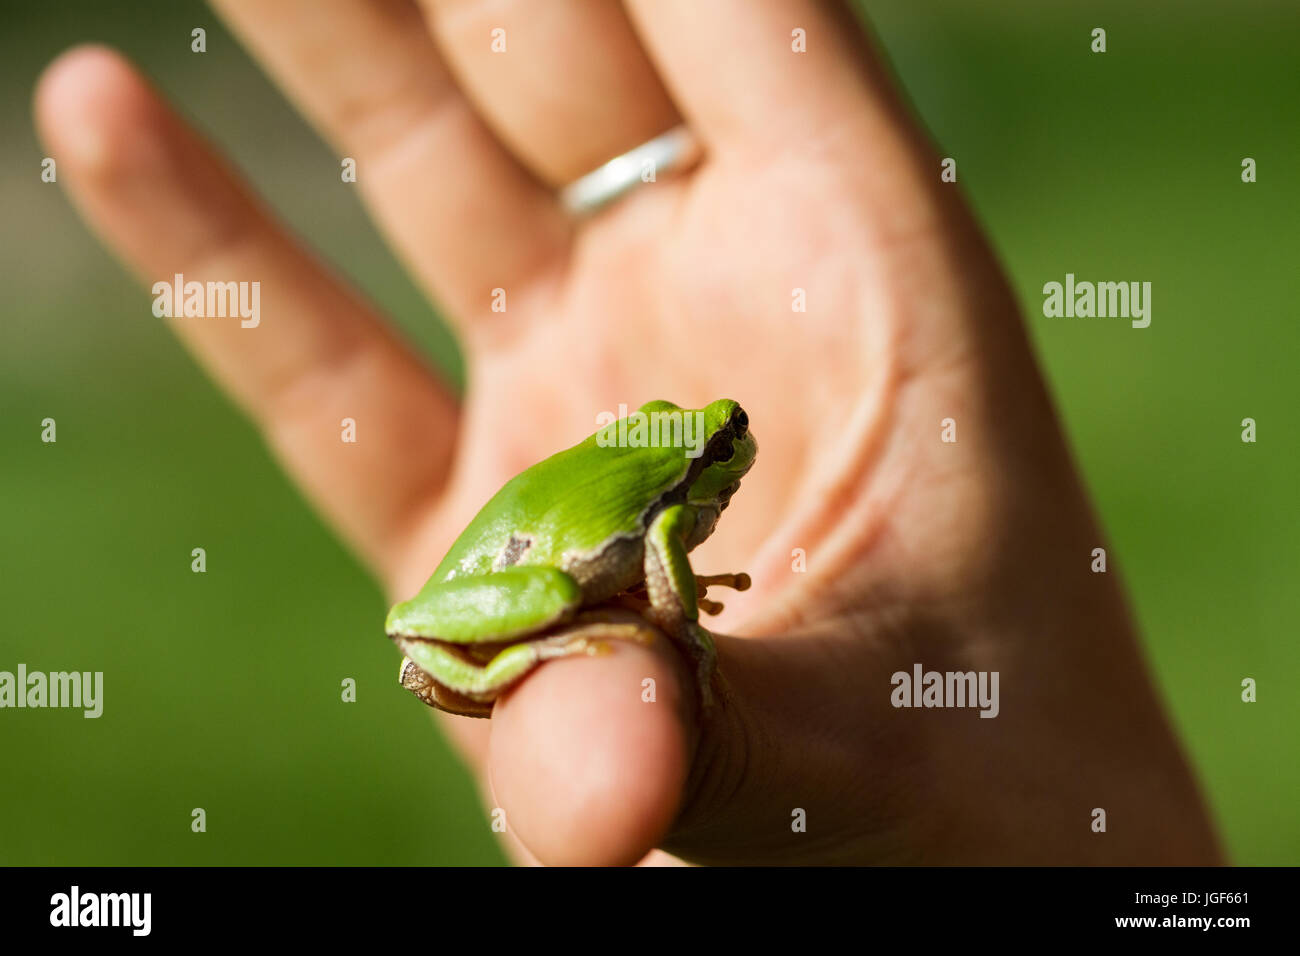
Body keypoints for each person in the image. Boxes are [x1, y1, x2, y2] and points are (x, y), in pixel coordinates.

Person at [34, 0, 1221, 866]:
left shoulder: (669, 472)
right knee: (565, 594)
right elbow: (659, 571)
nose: (734, 458)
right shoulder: (673, 506)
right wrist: (684, 616)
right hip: (524, 575)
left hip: (514, 563)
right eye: (724, 448)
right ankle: (504, 648)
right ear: (701, 467)